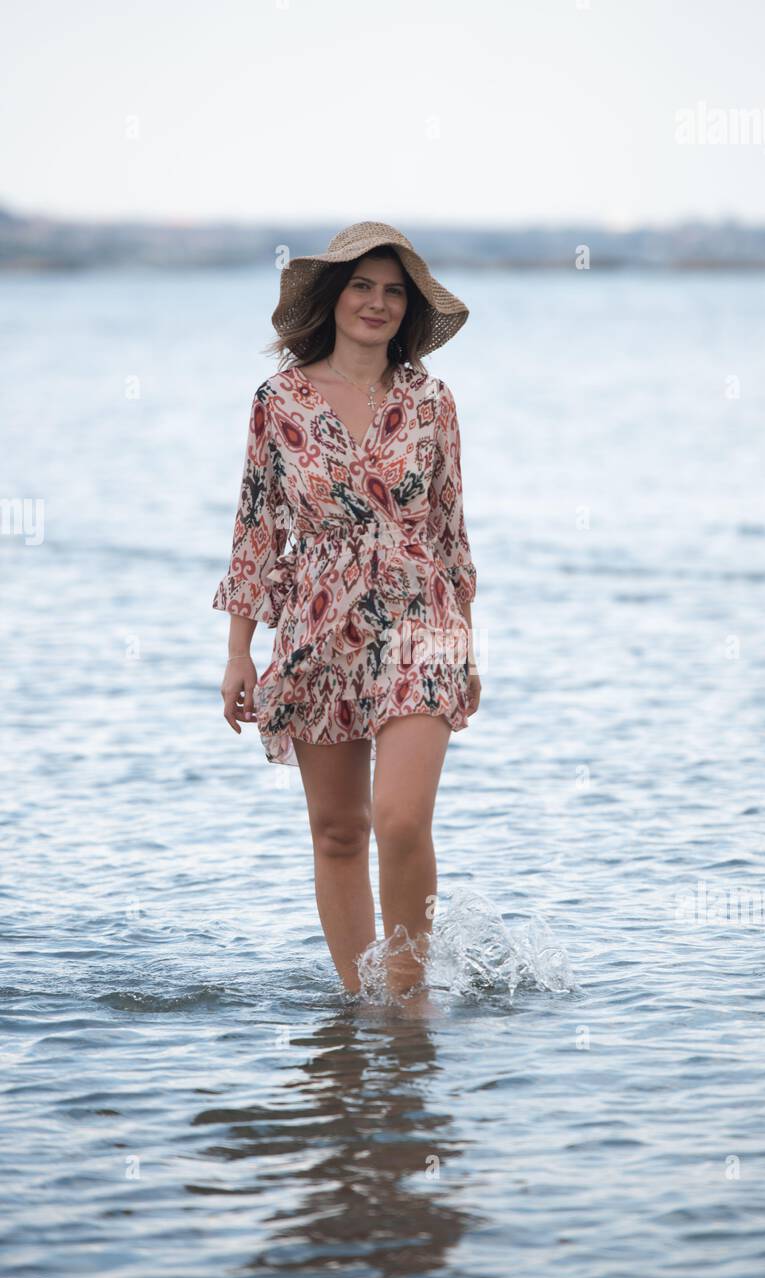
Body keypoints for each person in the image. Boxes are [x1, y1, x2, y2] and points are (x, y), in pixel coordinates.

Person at [212, 222, 481, 999]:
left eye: (393, 291)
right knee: (338, 833)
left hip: (421, 619)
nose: (378, 303)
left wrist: (464, 643)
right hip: (316, 625)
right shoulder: (280, 402)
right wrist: (239, 653)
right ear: (333, 298)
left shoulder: (431, 402)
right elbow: (256, 529)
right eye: (362, 285)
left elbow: (448, 528)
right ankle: (362, 1006)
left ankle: (408, 997)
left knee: (399, 819)